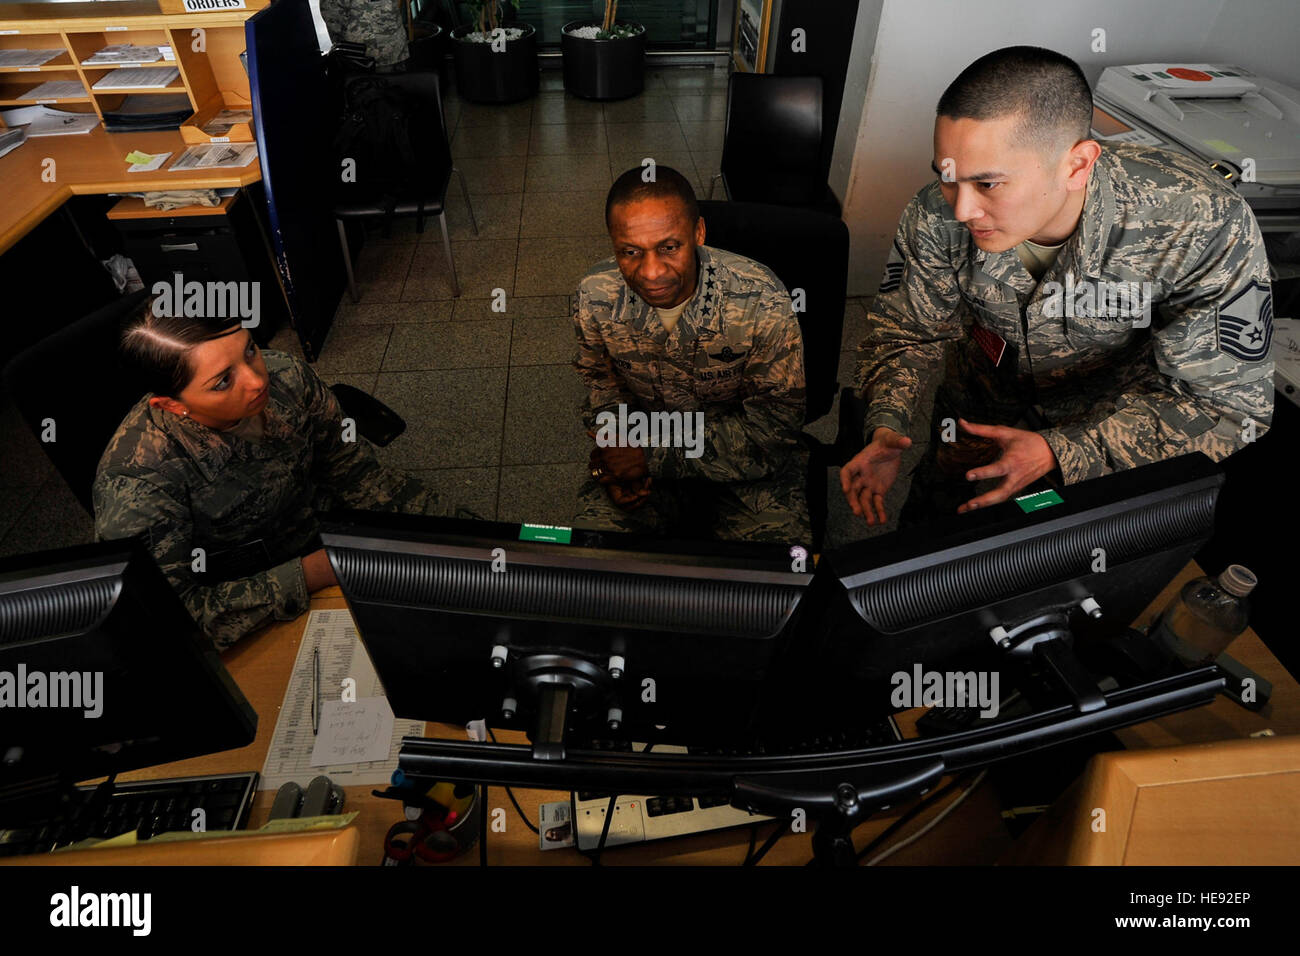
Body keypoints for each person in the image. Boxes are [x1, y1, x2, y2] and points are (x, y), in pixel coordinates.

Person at [841, 46, 1274, 528]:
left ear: (1076, 165)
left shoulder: (1202, 221)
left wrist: (1063, 450)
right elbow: (907, 330)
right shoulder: (936, 215)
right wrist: (887, 425)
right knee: (939, 512)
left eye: (988, 184)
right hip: (982, 393)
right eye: (947, 178)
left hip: (1110, 421)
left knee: (1050, 537)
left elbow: (1227, 404)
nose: (961, 211)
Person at [93, 307, 456, 651]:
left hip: (324, 532)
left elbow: (354, 472)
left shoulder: (289, 378)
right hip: (248, 595)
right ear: (172, 405)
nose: (257, 380)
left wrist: (454, 537)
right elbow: (173, 618)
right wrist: (314, 572)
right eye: (222, 382)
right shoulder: (138, 484)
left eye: (250, 350)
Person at [572, 166, 811, 544]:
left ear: (698, 232)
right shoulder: (595, 296)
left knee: (770, 584)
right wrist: (613, 459)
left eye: (669, 247)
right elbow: (603, 388)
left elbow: (774, 431)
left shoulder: (761, 298)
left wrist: (647, 453)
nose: (650, 272)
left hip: (750, 473)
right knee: (591, 567)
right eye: (630, 252)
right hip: (645, 469)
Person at [320, 0, 409, 73]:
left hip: (367, 54)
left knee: (374, 89)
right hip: (395, 46)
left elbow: (333, 18)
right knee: (398, 87)